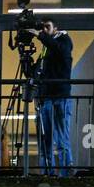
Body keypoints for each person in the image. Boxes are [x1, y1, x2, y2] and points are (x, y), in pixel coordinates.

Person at [19, 19, 74, 176]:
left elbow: (61, 50)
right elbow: (37, 71)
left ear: (56, 28)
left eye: (47, 27)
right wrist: (27, 64)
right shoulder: (46, 49)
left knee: (61, 139)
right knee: (45, 142)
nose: (44, 30)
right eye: (42, 27)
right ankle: (47, 174)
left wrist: (41, 35)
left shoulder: (64, 40)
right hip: (45, 98)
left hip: (60, 97)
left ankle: (66, 175)